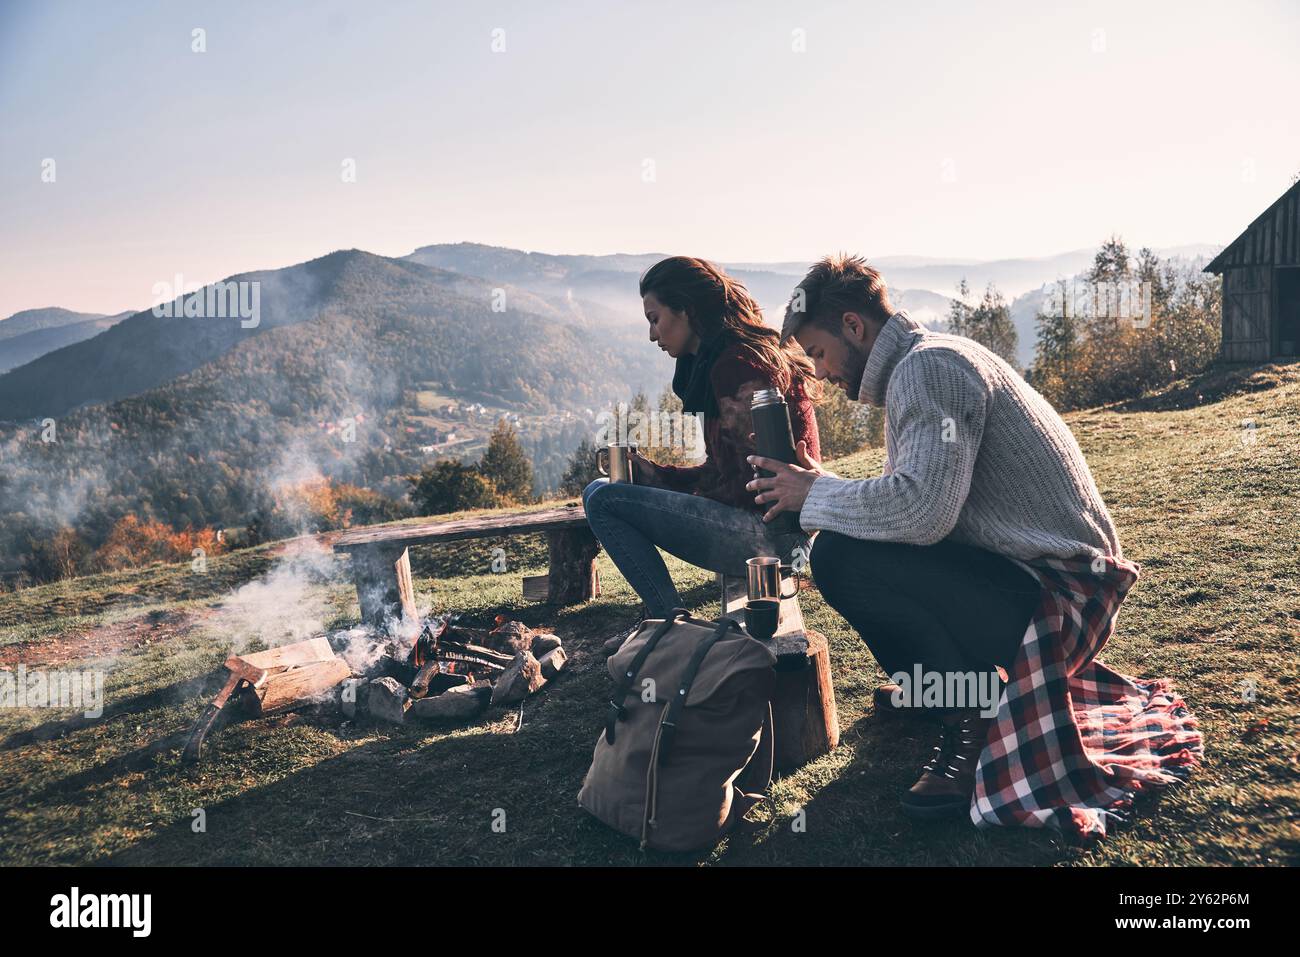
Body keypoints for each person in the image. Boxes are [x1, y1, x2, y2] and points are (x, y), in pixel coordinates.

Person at [747, 254, 1201, 836]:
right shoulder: (929, 361)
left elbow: (921, 511)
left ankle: (968, 718)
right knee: (855, 547)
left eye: (818, 352)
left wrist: (815, 495)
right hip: (1047, 584)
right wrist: (825, 490)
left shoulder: (929, 369)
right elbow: (922, 507)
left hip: (1058, 602)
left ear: (854, 327)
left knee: (839, 557)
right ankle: (950, 688)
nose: (822, 373)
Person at [583, 256, 820, 628]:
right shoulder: (724, 357)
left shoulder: (735, 366)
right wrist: (659, 478)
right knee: (601, 490)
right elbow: (730, 470)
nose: (651, 335)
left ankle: (670, 624)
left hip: (774, 540)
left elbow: (749, 488)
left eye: (655, 319)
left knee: (603, 499)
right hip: (772, 529)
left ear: (687, 310)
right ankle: (669, 620)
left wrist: (669, 493)